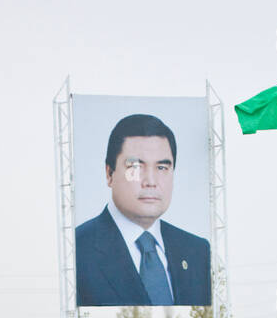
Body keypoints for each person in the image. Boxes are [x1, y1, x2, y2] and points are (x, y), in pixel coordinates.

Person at [75, 114, 210, 306]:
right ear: (109, 174)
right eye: (136, 167)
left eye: (162, 167)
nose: (151, 182)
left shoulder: (197, 251)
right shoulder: (78, 249)